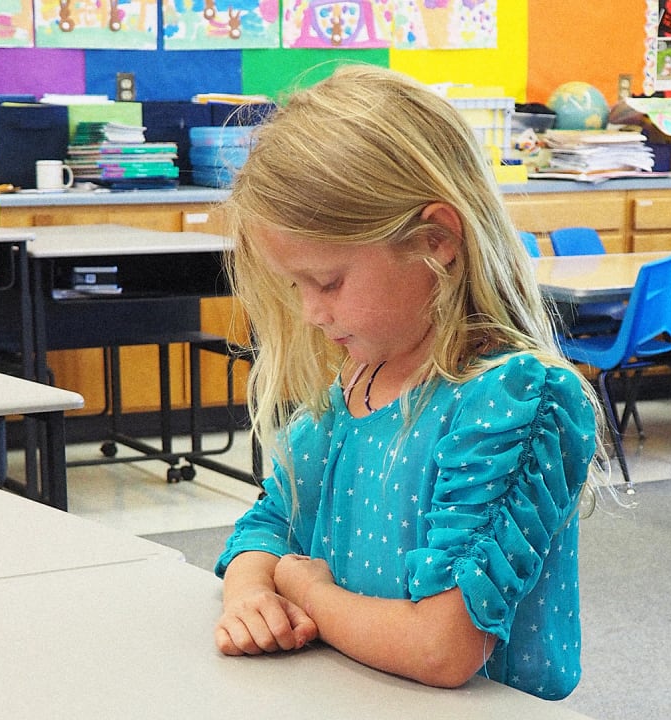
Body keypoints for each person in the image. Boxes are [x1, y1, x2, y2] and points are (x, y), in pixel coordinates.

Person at [212, 63, 606, 701]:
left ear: (435, 240)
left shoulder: (510, 401)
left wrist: (308, 592)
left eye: (329, 281)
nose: (311, 312)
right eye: (295, 285)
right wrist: (254, 590)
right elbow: (273, 522)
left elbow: (441, 647)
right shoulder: (355, 378)